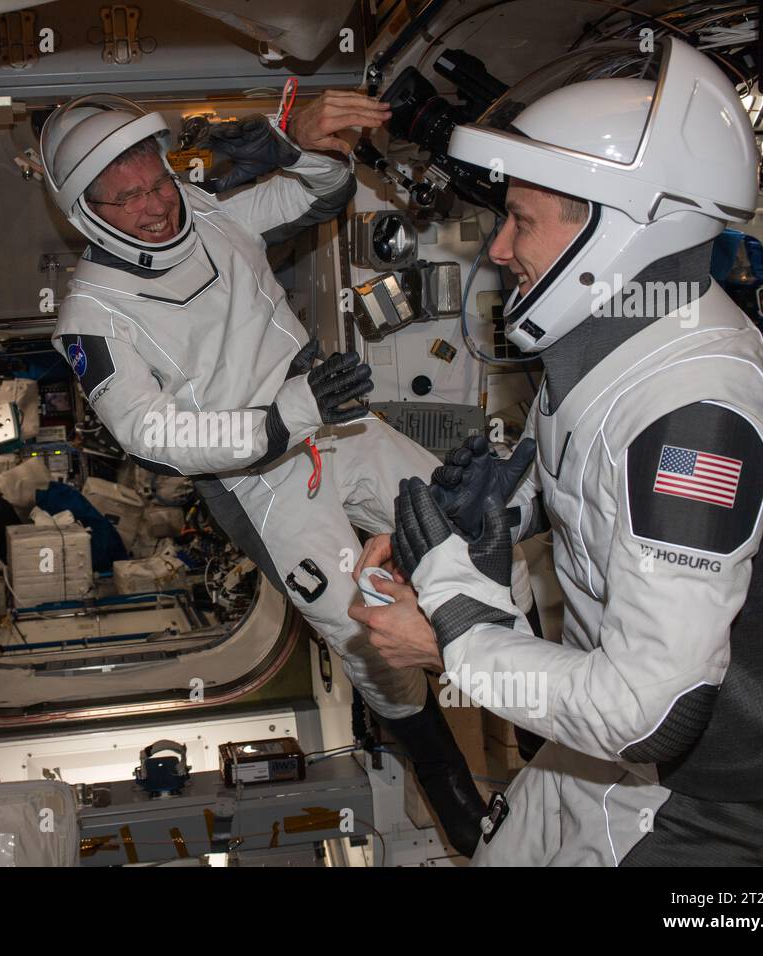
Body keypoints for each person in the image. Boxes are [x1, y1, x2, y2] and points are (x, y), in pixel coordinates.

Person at [354, 37, 763, 865]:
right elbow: (580, 464)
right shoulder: (622, 336)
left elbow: (655, 708)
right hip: (595, 745)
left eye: (521, 222)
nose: (498, 249)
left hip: (699, 806)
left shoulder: (696, 420)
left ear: (615, 239)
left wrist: (449, 631)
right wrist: (487, 516)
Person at [40, 91, 488, 854]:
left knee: (470, 518)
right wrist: (284, 417)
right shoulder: (91, 317)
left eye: (155, 185)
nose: (154, 209)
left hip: (334, 421)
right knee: (364, 632)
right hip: (260, 480)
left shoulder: (209, 209)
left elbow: (323, 193)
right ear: (85, 212)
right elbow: (155, 434)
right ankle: (459, 802)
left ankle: (549, 708)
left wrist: (300, 143)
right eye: (127, 201)